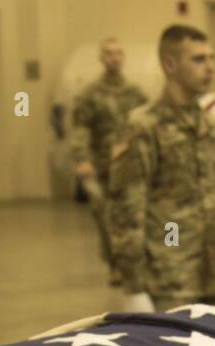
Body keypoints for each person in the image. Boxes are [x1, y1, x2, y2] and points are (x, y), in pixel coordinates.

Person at [106, 26, 215, 312]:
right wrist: (133, 286)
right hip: (169, 278)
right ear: (170, 64)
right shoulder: (142, 126)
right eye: (198, 60)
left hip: (214, 277)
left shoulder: (210, 125)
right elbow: (126, 211)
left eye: (212, 59)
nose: (210, 67)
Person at [70, 39, 148, 286]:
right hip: (102, 166)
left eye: (118, 53)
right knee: (104, 215)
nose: (114, 58)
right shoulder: (90, 94)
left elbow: (147, 123)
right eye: (108, 54)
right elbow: (80, 128)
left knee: (134, 214)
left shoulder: (135, 92)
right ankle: (114, 263)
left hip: (131, 165)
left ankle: (137, 262)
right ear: (101, 58)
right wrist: (82, 159)